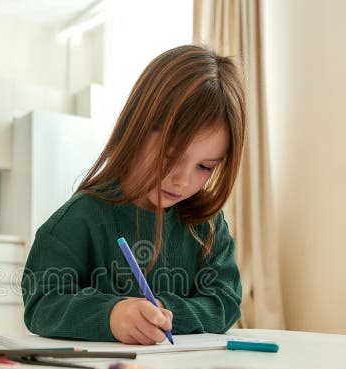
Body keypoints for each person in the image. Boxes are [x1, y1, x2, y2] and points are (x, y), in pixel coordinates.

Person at [21, 44, 245, 345]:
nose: (182, 180)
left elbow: (224, 302)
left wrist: (165, 312)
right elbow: (42, 303)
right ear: (135, 128)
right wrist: (111, 315)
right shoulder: (77, 220)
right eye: (170, 155)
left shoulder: (207, 225)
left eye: (205, 167)